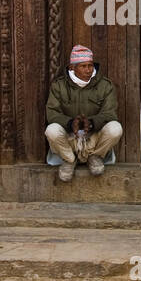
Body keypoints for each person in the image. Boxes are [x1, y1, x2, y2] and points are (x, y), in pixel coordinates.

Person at [45, 45, 123, 182]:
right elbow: (52, 113)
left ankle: (95, 157)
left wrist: (92, 123)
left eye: (90, 65)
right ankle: (69, 160)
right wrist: (70, 123)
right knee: (51, 130)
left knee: (115, 128)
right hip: (71, 139)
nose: (88, 70)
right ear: (72, 68)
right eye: (83, 66)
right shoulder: (59, 86)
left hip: (93, 139)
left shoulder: (105, 85)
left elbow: (110, 113)